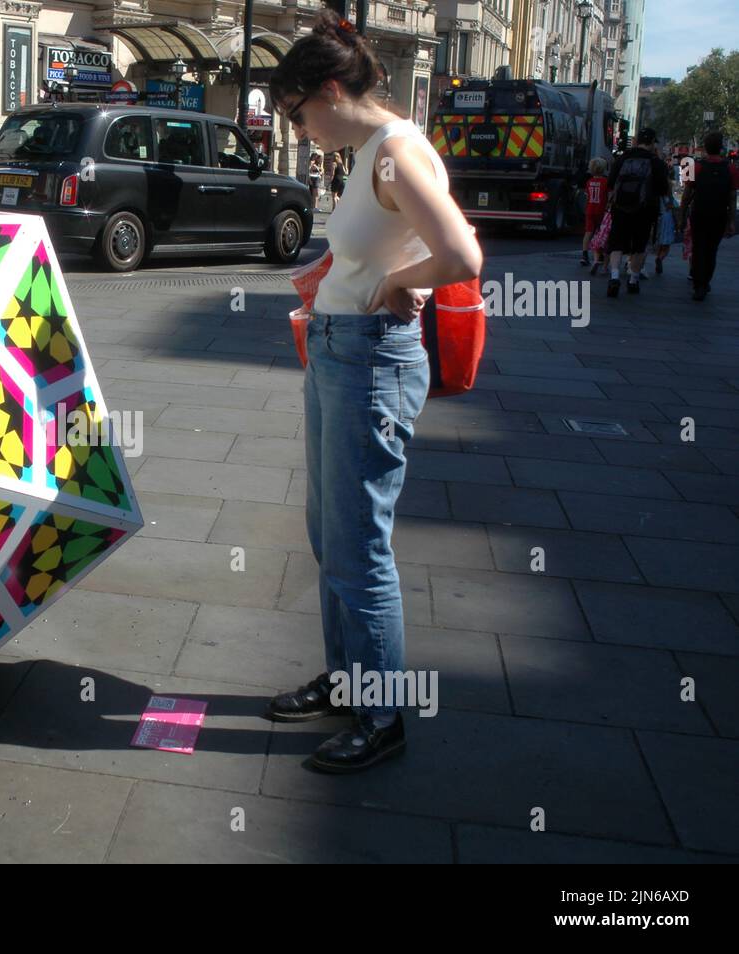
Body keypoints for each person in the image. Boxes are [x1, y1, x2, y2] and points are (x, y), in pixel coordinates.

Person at [265, 10, 481, 772]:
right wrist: (344, 273)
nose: (298, 130)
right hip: (338, 352)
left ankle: (382, 714)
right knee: (331, 534)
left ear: (329, 89)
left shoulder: (391, 153)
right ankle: (347, 679)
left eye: (297, 114)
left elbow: (460, 252)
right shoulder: (370, 152)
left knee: (359, 548)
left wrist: (398, 279)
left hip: (369, 361)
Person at [604, 127, 671, 297]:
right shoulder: (656, 162)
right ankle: (633, 280)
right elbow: (663, 188)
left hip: (620, 207)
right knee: (639, 245)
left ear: (636, 141)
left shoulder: (622, 158)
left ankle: (614, 277)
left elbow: (610, 182)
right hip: (645, 209)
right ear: (652, 143)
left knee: (617, 242)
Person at [681, 131, 738, 302]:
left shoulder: (694, 166)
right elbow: (732, 197)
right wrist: (731, 221)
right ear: (721, 148)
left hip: (699, 212)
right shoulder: (731, 169)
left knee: (698, 248)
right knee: (712, 250)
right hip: (719, 214)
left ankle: (698, 283)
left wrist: (682, 214)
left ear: (704, 147)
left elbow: (686, 193)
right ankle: (705, 281)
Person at [580, 157, 609, 272]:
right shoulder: (606, 182)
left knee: (588, 232)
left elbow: (587, 196)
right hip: (601, 210)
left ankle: (584, 254)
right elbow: (609, 195)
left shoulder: (589, 182)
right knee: (600, 233)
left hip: (590, 209)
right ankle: (599, 254)